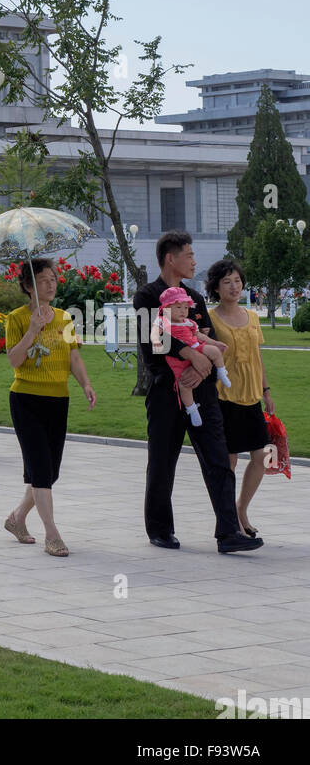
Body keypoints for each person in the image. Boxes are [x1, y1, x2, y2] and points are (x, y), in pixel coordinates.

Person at [134, 230, 262, 554]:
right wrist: (189, 355)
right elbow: (155, 344)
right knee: (163, 461)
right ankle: (160, 529)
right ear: (170, 259)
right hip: (166, 392)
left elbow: (205, 335)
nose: (194, 261)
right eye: (189, 255)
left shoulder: (195, 298)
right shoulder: (148, 297)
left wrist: (197, 365)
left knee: (218, 458)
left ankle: (229, 531)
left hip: (203, 391)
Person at [4, 259, 95, 557]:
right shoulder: (17, 319)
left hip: (58, 400)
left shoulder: (64, 318)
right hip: (26, 399)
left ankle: (17, 518)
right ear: (28, 286)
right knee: (41, 470)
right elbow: (14, 360)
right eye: (43, 280)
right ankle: (52, 534)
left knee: (48, 471)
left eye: (53, 279)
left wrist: (85, 385)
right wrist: (32, 330)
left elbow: (74, 358)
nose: (51, 284)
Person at [207, 257, 274, 539]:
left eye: (237, 280)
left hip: (252, 397)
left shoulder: (253, 316)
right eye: (227, 282)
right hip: (225, 397)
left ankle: (241, 509)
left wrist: (267, 391)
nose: (234, 286)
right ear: (216, 288)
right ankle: (227, 522)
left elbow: (256, 357)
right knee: (229, 462)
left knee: (263, 457)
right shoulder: (210, 318)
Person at [153, 286, 232, 427]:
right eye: (178, 307)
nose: (183, 311)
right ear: (166, 308)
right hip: (178, 359)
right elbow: (156, 337)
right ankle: (192, 409)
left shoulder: (189, 323)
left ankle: (222, 372)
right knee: (184, 385)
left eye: (185, 307)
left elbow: (200, 336)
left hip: (196, 347)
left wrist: (215, 343)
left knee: (214, 351)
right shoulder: (162, 321)